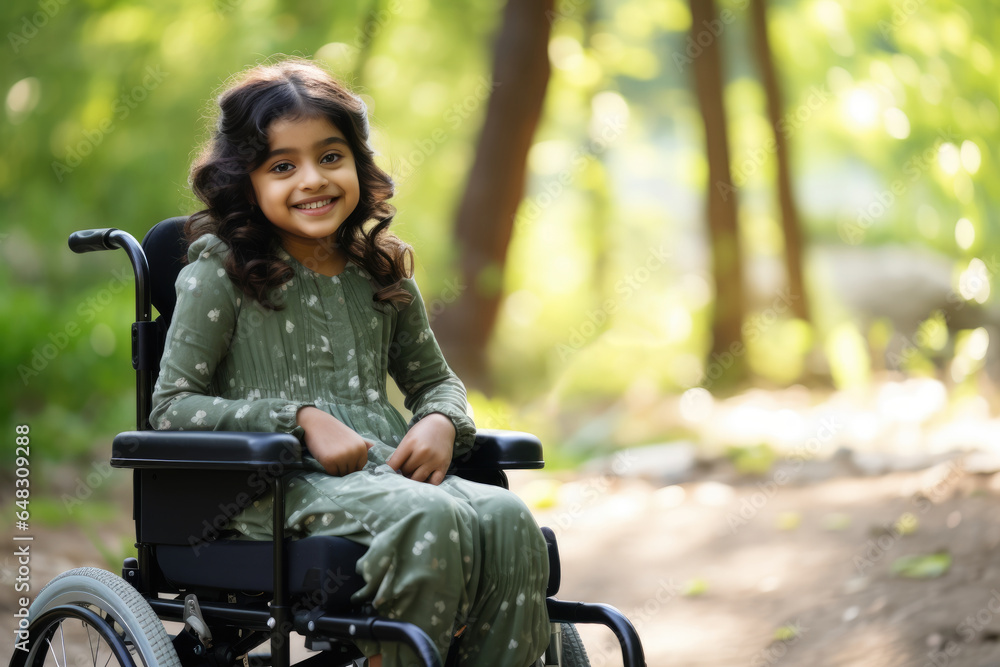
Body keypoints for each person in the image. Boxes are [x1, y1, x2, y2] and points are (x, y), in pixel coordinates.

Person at [150, 58, 550, 667]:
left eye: (331, 157)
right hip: (271, 490)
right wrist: (299, 418)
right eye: (282, 166)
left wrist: (441, 420)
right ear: (245, 183)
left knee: (507, 515)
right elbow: (172, 409)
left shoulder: (381, 275)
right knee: (429, 516)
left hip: (386, 475)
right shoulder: (220, 275)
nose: (312, 180)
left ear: (358, 164)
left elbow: (435, 381)